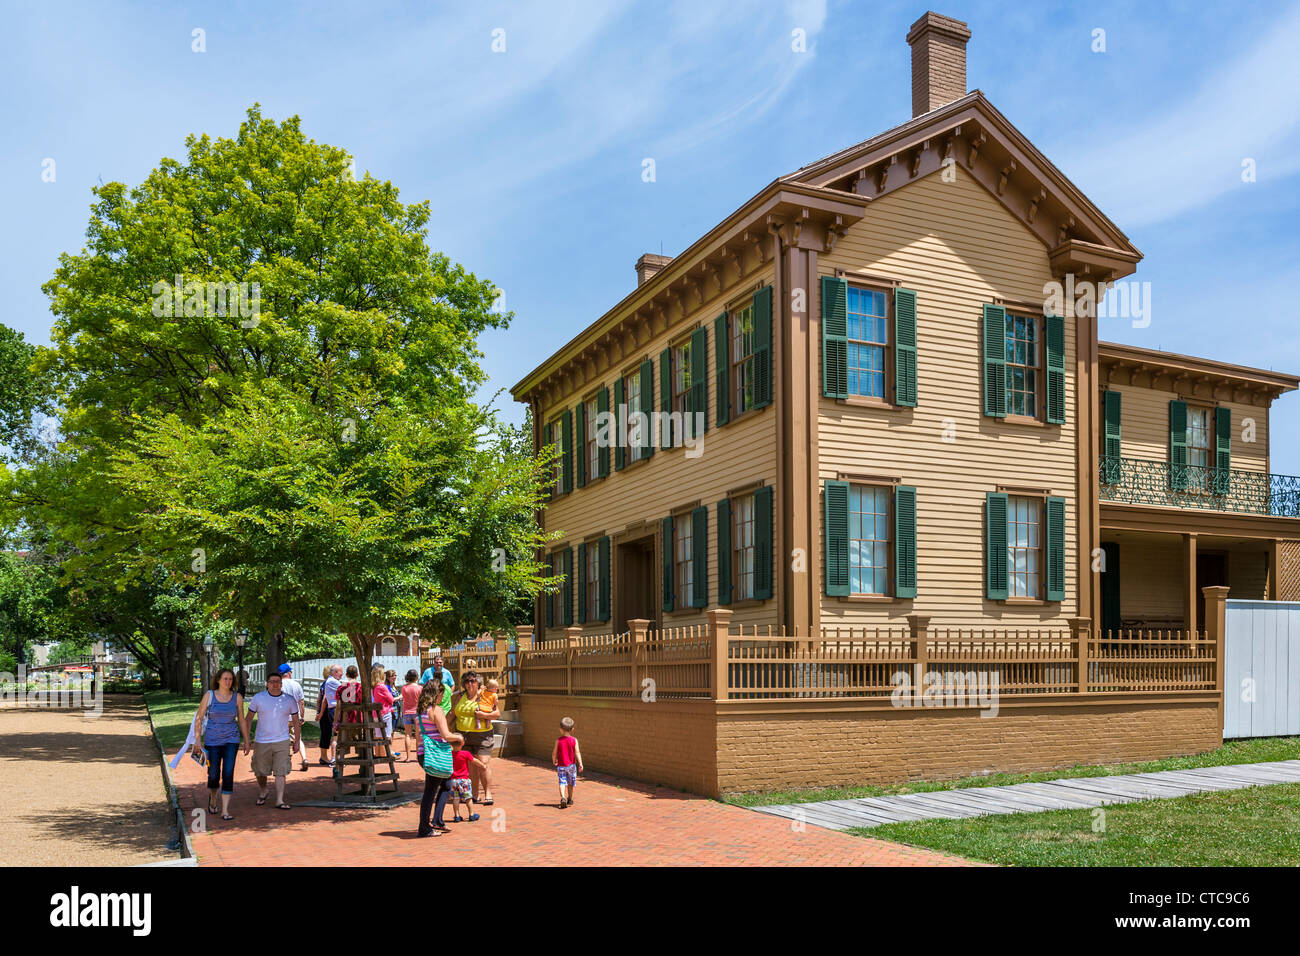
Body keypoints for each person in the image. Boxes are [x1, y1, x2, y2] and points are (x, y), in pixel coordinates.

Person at [193, 668, 249, 821]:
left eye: (230, 679)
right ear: (218, 680)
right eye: (225, 679)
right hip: (212, 741)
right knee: (213, 773)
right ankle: (212, 796)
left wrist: (247, 739)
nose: (228, 682)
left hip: (231, 739)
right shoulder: (209, 695)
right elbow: (199, 718)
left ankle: (225, 810)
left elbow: (242, 720)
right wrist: (197, 740)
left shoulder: (237, 697)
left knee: (228, 773)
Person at [243, 671, 302, 810]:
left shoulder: (289, 700)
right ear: (267, 684)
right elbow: (249, 718)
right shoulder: (258, 698)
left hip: (282, 740)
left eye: (278, 682)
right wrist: (247, 739)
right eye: (272, 681)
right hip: (261, 741)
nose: (275, 684)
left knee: (281, 771)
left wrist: (297, 741)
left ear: (281, 684)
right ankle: (264, 790)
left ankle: (279, 800)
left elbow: (296, 721)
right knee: (260, 771)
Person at [414, 678, 463, 838]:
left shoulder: (420, 712)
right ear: (436, 694)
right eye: (441, 694)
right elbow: (446, 735)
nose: (443, 697)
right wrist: (459, 738)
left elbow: (418, 737)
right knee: (430, 791)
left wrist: (419, 755)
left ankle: (436, 820)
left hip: (425, 754)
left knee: (447, 784)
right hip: (436, 755)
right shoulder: (436, 710)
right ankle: (424, 828)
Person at [452, 671, 498, 805]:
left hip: (482, 735)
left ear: (478, 682)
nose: (469, 683)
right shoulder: (459, 696)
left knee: (483, 764)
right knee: (471, 766)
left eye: (472, 681)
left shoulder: (485, 695)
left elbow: (497, 713)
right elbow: (452, 714)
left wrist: (483, 715)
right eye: (467, 681)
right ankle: (474, 795)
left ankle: (488, 794)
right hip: (463, 735)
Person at [277, 663, 310, 772]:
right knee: (298, 738)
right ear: (289, 673)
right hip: (295, 717)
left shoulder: (278, 685)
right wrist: (302, 716)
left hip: (282, 717)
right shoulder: (296, 684)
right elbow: (301, 702)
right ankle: (304, 759)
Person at [449, 737, 488, 823]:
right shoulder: (465, 753)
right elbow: (474, 761)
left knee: (456, 798)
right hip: (464, 781)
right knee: (468, 798)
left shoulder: (449, 754)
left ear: (450, 744)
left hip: (454, 781)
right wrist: (483, 765)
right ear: (462, 743)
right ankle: (471, 814)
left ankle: (457, 816)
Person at [552, 716, 583, 809]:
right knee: (570, 783)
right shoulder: (574, 740)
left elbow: (554, 752)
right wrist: (580, 763)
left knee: (562, 782)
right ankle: (570, 798)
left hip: (561, 766)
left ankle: (563, 798)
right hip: (572, 766)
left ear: (560, 729)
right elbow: (577, 752)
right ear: (572, 729)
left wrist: (554, 759)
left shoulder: (558, 741)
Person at [317, 664, 343, 766]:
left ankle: (324, 757)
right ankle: (330, 758)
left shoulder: (324, 683)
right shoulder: (331, 682)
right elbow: (324, 699)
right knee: (332, 734)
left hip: (325, 711)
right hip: (328, 711)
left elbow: (319, 698)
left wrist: (318, 712)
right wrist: (321, 713)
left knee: (325, 734)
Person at [370, 663, 394, 758]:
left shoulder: (374, 686)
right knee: (387, 735)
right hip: (385, 712)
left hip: (376, 713)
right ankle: (386, 754)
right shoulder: (382, 686)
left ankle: (379, 754)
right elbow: (391, 699)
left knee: (378, 735)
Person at [398, 669, 422, 761]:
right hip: (417, 712)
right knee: (417, 735)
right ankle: (417, 756)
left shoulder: (404, 688)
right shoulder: (420, 688)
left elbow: (403, 697)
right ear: (416, 677)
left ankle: (408, 757)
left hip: (407, 712)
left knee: (407, 735)